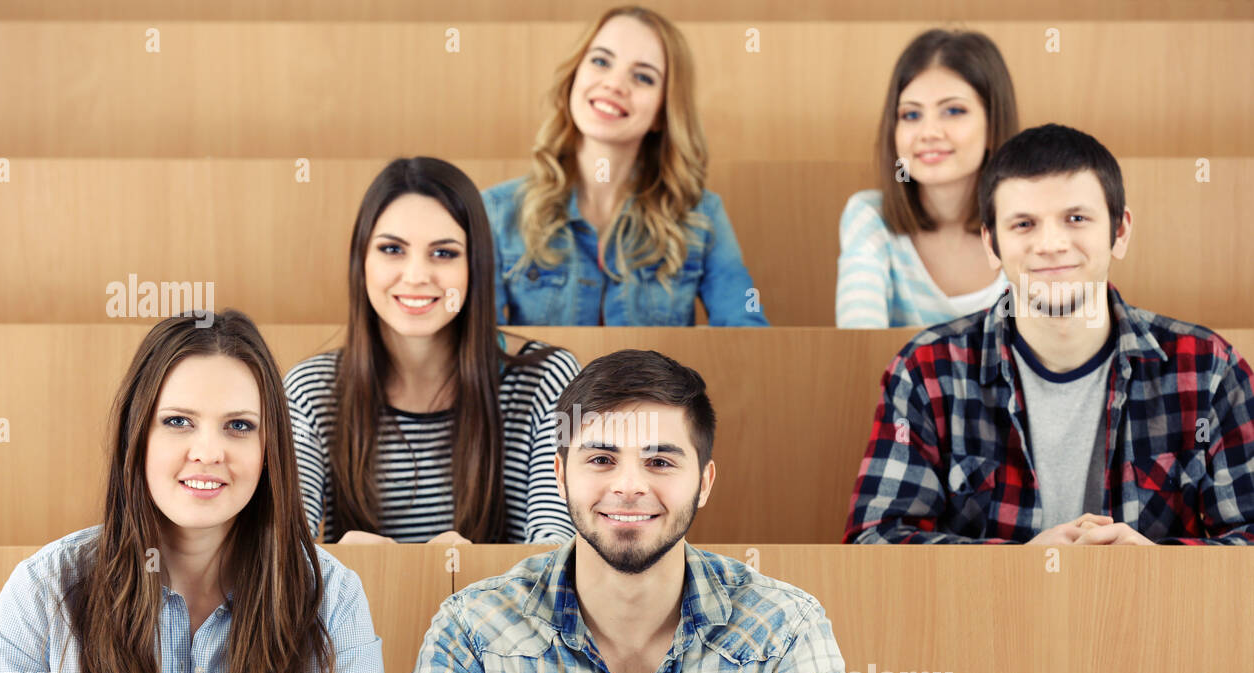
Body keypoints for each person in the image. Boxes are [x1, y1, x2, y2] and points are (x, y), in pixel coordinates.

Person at [0, 311, 392, 673]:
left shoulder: (331, 595)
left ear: (269, 446)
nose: (208, 452)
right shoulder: (44, 589)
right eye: (178, 421)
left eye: (239, 426)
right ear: (136, 436)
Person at [392, 350, 863, 673]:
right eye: (601, 459)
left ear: (704, 483)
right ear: (559, 474)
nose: (629, 486)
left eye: (659, 461)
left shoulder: (785, 624)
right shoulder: (474, 624)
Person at [844, 124, 1254, 545]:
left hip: (1156, 611)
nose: (1052, 244)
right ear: (991, 244)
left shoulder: (1210, 368)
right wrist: (1020, 565)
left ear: (1120, 231)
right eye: (1024, 224)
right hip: (989, 614)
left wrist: (1153, 565)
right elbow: (875, 541)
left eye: (1076, 218)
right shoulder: (925, 371)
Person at [285, 157, 581, 545]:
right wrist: (348, 567)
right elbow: (285, 549)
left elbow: (557, 547)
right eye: (392, 249)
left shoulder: (550, 379)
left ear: (476, 266)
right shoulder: (310, 390)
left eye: (444, 253)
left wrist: (471, 575)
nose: (416, 276)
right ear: (362, 261)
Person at [482, 6, 767, 326]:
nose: (615, 84)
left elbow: (746, 326)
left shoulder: (703, 214)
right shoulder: (495, 211)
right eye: (601, 61)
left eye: (643, 77)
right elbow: (480, 352)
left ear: (663, 111)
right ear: (574, 76)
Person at [836, 29, 1018, 328]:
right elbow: (860, 344)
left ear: (993, 123)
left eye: (954, 111)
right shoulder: (869, 217)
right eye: (911, 115)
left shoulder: (1028, 223)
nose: (929, 132)